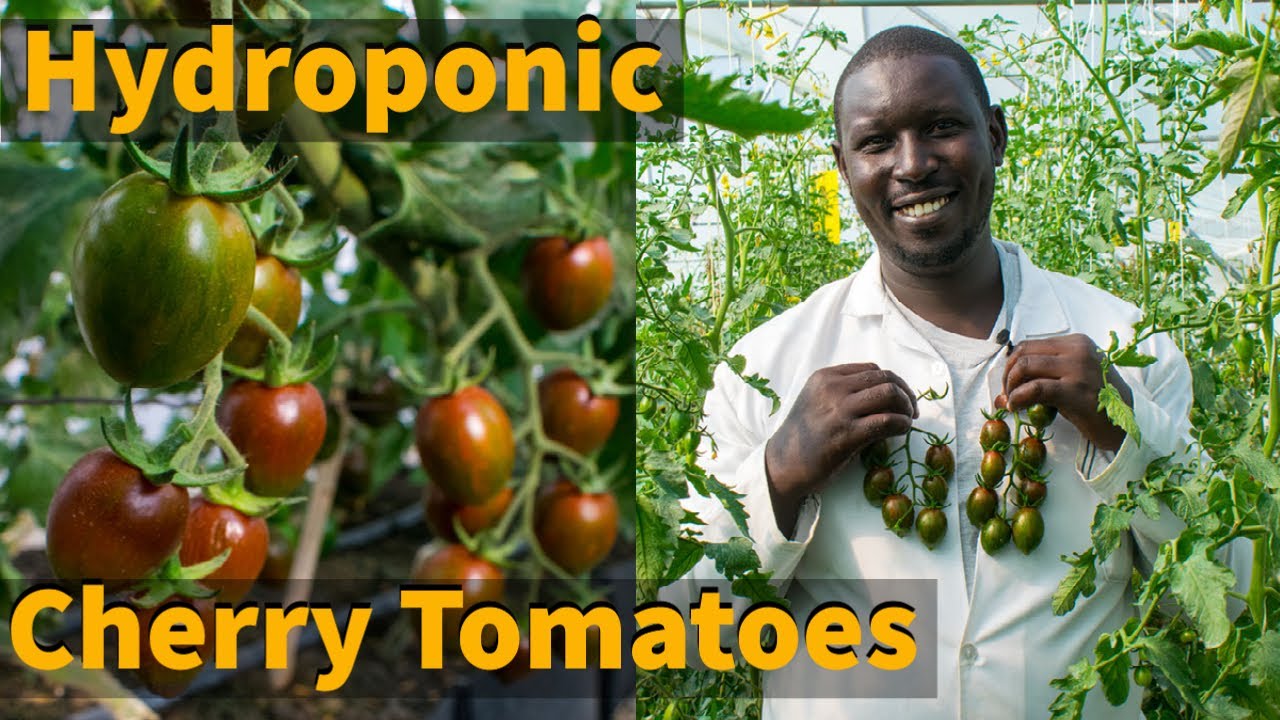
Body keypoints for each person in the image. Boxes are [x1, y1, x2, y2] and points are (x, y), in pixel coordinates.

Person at [668, 26, 1249, 718]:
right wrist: (778, 479)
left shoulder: (1127, 349)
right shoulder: (764, 368)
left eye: (942, 127)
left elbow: (1228, 595)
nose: (912, 165)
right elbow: (692, 628)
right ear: (842, 165)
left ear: (996, 137)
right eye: (876, 142)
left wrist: (1127, 429)